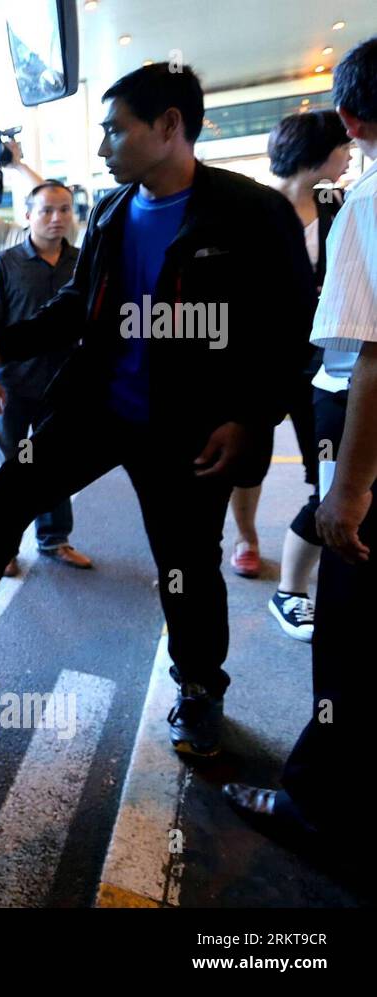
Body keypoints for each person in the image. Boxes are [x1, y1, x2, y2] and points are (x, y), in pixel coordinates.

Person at [0, 63, 315, 758]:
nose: (103, 148)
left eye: (115, 130)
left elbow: (289, 329)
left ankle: (201, 691)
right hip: (102, 407)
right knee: (8, 495)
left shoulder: (248, 212)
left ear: (169, 127)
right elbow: (76, 306)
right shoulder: (118, 214)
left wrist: (250, 417)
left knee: (186, 566)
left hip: (192, 431)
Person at [223, 37, 377, 846]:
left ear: (354, 123)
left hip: (336, 388)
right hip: (299, 377)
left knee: (348, 620)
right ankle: (257, 547)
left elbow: (373, 357)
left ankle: (319, 805)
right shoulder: (272, 210)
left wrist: (348, 492)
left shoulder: (358, 205)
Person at [226, 111, 353, 586]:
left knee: (321, 460)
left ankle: (310, 549)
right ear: (314, 155)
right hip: (256, 362)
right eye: (342, 149)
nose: (347, 157)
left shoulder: (338, 205)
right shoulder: (251, 209)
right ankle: (246, 537)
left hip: (318, 359)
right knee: (249, 458)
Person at [0, 180, 93, 575]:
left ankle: (54, 540)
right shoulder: (4, 264)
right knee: (12, 469)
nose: (56, 218)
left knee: (55, 466)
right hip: (13, 386)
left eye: (64, 210)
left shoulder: (84, 263)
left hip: (64, 386)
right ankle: (5, 548)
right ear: (28, 215)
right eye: (47, 210)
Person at [0, 140, 55, 251]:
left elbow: (49, 198)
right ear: (28, 214)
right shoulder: (8, 234)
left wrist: (19, 165)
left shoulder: (60, 234)